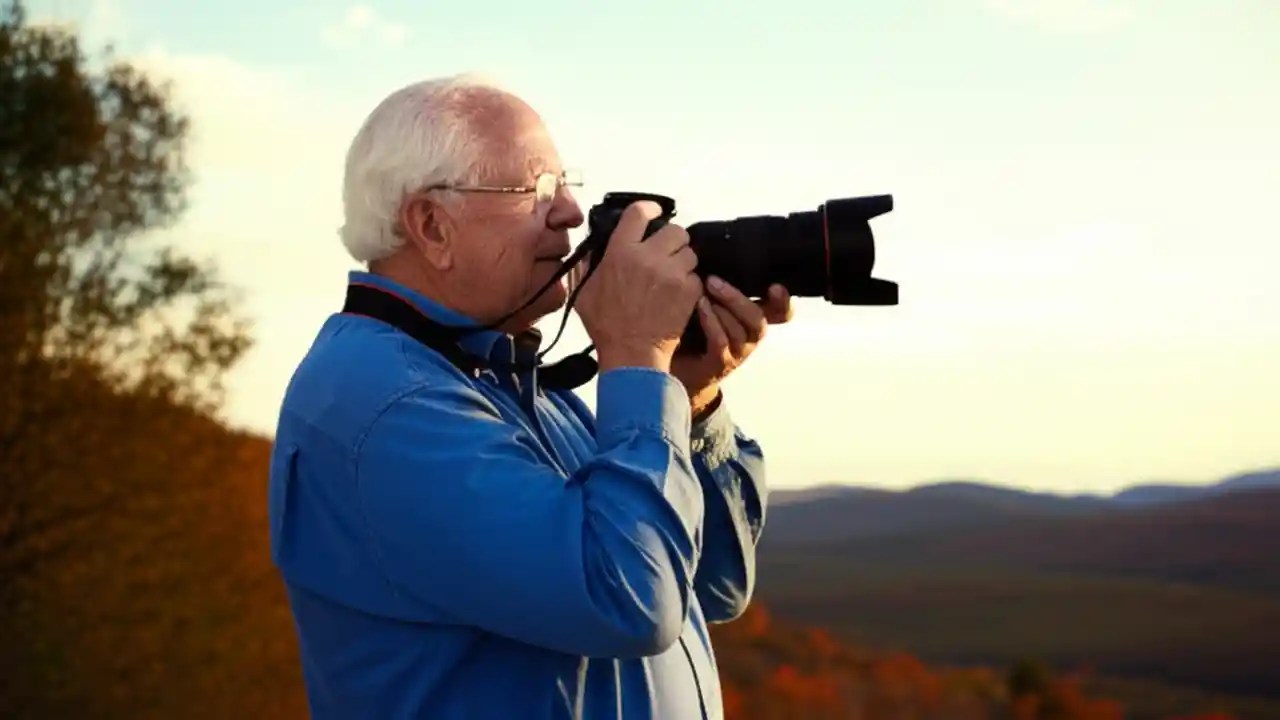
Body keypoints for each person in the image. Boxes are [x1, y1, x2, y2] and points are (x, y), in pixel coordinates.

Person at [267, 74, 794, 720]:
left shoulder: (511, 380)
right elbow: (631, 598)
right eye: (537, 189)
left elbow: (711, 585)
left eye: (566, 184)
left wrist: (687, 395)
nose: (572, 212)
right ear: (432, 225)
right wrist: (634, 356)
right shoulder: (386, 408)